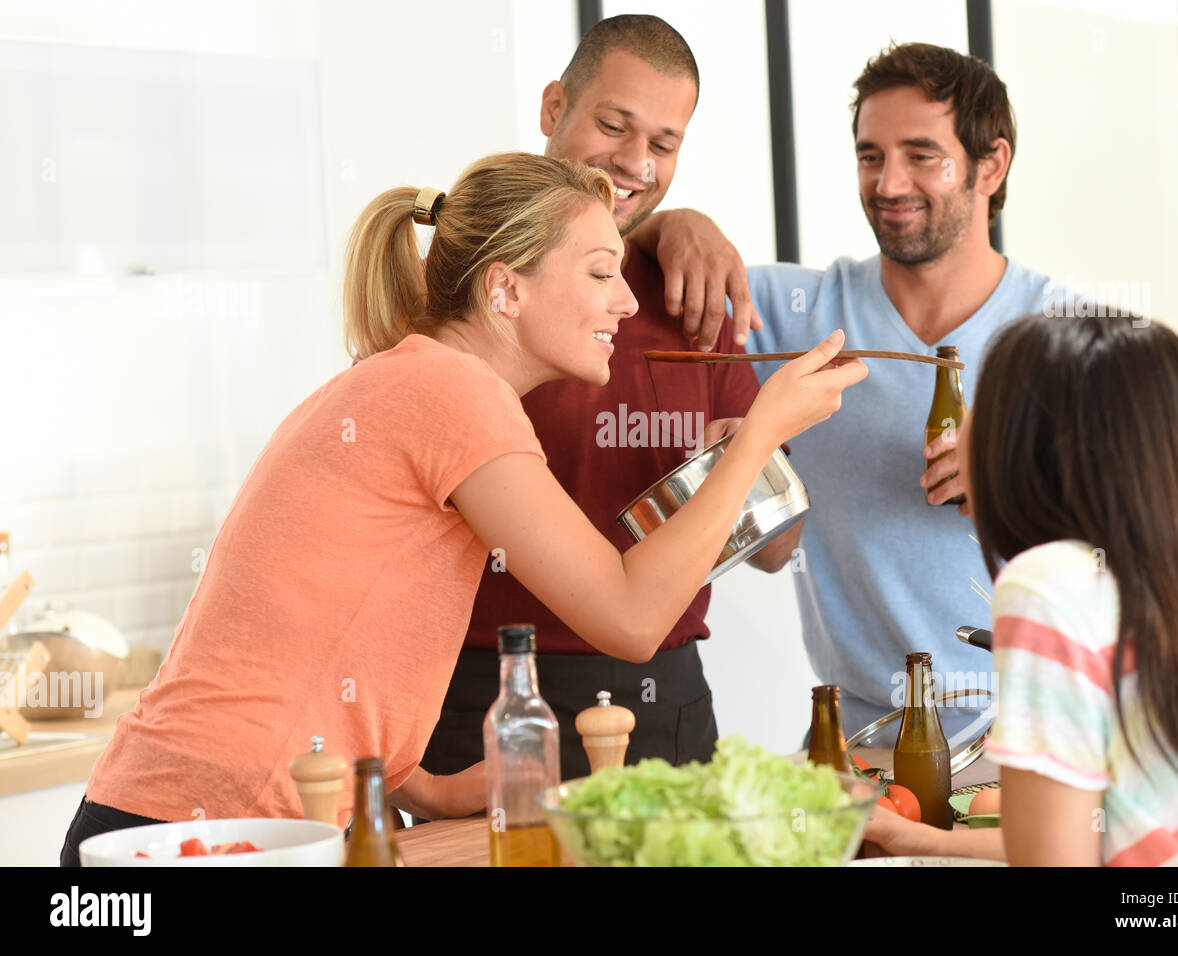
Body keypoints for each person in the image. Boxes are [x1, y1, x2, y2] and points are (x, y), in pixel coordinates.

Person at [59, 151, 866, 865]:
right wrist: (760, 435)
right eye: (597, 273)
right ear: (505, 289)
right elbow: (629, 614)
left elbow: (323, 640)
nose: (624, 302)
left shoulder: (407, 381)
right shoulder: (453, 395)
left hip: (185, 811)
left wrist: (432, 787)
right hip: (209, 826)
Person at [631, 43, 1055, 738]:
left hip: (1037, 748)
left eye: (921, 155)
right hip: (856, 753)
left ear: (992, 164)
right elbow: (601, 257)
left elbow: (1164, 552)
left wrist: (1023, 484)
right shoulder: (789, 316)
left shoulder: (1071, 341)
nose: (888, 183)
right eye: (870, 156)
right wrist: (673, 224)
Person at [421, 15, 796, 784]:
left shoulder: (696, 293)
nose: (635, 161)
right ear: (554, 106)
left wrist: (738, 469)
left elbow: (778, 548)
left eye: (663, 144)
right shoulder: (463, 281)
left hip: (665, 696)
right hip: (481, 692)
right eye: (613, 125)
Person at [862, 312, 1178, 865]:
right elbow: (1110, 831)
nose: (958, 426)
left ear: (1035, 446)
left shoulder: (1048, 585)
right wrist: (925, 841)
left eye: (983, 405)